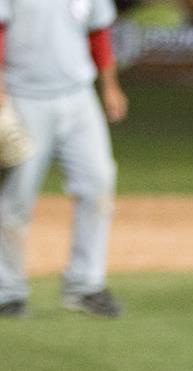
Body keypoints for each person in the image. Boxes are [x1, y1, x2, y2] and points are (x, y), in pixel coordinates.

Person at [0, 0, 125, 319]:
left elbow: (98, 32)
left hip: (79, 96)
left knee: (98, 183)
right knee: (14, 199)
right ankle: (7, 291)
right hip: (23, 96)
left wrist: (109, 86)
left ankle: (85, 286)